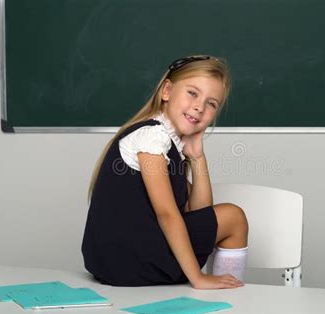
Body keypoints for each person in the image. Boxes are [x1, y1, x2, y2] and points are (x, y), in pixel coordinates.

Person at [82, 55, 249, 290]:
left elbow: (200, 213)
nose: (200, 106)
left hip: (115, 263)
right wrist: (198, 278)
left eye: (212, 103)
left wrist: (197, 157)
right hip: (131, 262)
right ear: (167, 91)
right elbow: (167, 215)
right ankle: (230, 292)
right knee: (234, 217)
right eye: (193, 93)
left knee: (227, 216)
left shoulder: (169, 144)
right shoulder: (152, 137)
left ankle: (224, 286)